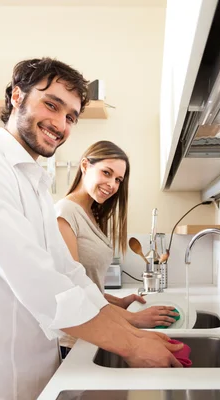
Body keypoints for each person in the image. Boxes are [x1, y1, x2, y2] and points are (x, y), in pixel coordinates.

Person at [0, 57, 182, 400]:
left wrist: (132, 330)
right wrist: (130, 345)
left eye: (71, 117)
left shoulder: (35, 183)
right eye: (52, 105)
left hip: (35, 380)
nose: (60, 124)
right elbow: (37, 281)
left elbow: (68, 273)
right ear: (17, 96)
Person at [55, 140, 179, 356]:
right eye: (106, 172)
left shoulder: (91, 216)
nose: (112, 184)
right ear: (85, 166)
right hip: (75, 340)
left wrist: (119, 302)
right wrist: (133, 318)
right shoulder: (64, 213)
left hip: (96, 330)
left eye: (118, 179)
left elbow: (90, 285)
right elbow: (73, 291)